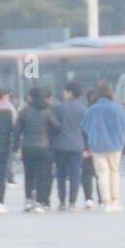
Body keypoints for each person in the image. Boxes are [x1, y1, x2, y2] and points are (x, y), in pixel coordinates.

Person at [83, 82, 125, 212]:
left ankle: (106, 202)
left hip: (97, 146)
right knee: (114, 172)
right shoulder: (117, 108)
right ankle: (115, 201)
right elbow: (124, 125)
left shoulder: (91, 110)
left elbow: (85, 126)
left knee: (102, 174)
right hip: (115, 145)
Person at [14, 87, 59, 212]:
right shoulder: (47, 111)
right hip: (44, 147)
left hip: (28, 147)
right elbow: (57, 127)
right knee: (43, 175)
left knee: (29, 175)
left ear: (30, 97)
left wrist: (15, 147)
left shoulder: (24, 112)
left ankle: (28, 200)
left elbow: (17, 132)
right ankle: (40, 201)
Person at [50, 82, 88, 210]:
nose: (64, 93)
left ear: (70, 92)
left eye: (65, 91)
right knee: (75, 175)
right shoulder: (83, 109)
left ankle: (62, 202)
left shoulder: (58, 107)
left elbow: (53, 126)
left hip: (60, 144)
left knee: (60, 174)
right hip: (77, 145)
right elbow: (85, 129)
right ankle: (73, 202)